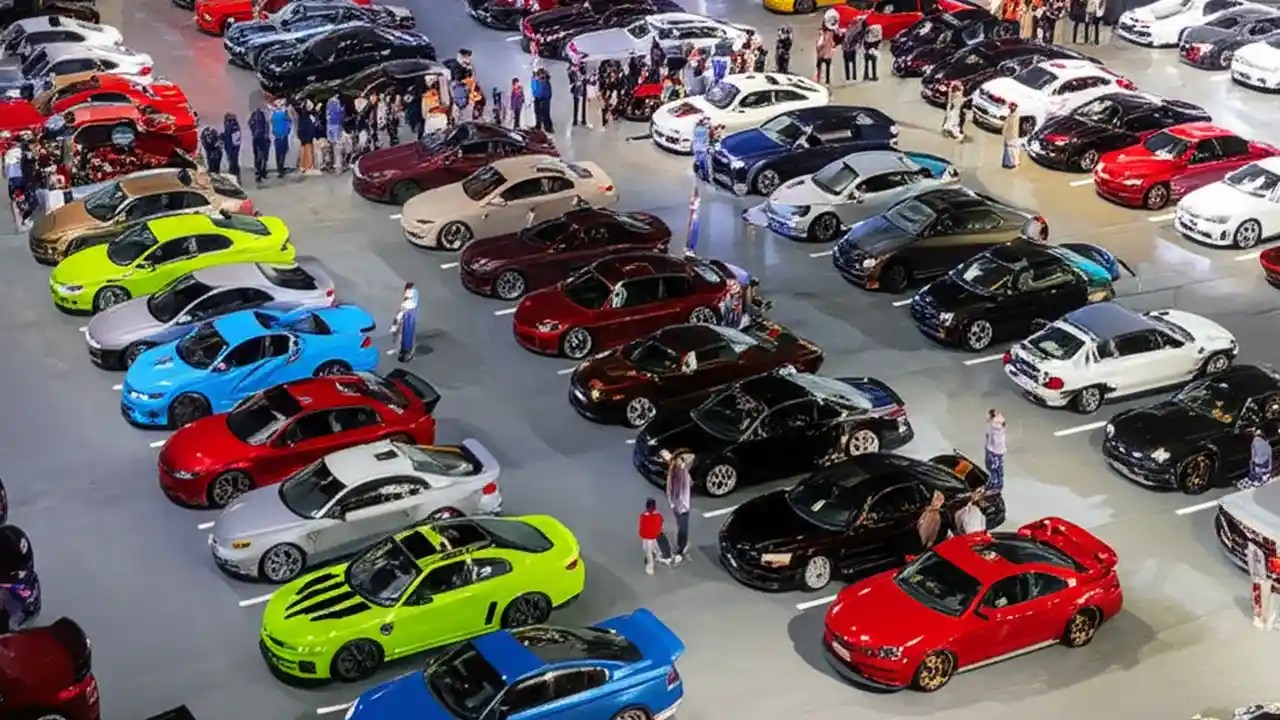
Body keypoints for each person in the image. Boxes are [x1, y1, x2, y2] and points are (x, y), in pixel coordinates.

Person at [663, 450, 693, 563]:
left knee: (682, 527)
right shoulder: (678, 471)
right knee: (682, 527)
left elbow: (677, 491)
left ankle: (681, 548)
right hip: (680, 506)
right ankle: (681, 548)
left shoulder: (677, 471)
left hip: (679, 507)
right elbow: (677, 491)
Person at [389, 282, 420, 362]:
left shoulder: (408, 299)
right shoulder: (414, 294)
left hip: (407, 312)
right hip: (410, 311)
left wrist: (394, 326)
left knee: (405, 333)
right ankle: (406, 350)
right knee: (408, 332)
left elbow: (401, 312)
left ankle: (405, 351)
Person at [638, 498, 665, 575]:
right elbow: (661, 523)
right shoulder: (658, 515)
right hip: (653, 535)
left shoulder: (644, 516)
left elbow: (642, 526)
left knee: (648, 550)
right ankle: (658, 554)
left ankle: (650, 566)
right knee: (652, 546)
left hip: (647, 536)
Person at [985, 409, 1006, 496]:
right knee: (996, 468)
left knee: (994, 468)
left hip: (994, 450)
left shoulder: (995, 425)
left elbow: (992, 438)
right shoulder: (997, 424)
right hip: (996, 450)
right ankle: (996, 484)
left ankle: (995, 486)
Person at [269, 100, 292, 178]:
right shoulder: (283, 114)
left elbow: (272, 122)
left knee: (278, 153)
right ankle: (281, 169)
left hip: (277, 136)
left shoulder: (274, 115)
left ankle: (279, 168)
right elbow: (290, 120)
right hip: (283, 135)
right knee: (282, 152)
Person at [248, 104, 269, 182]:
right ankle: (261, 173)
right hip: (261, 139)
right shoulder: (262, 115)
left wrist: (253, 132)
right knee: (262, 156)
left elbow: (250, 123)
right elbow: (266, 126)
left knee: (258, 156)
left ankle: (259, 173)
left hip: (256, 139)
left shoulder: (254, 115)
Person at [296, 100, 316, 174]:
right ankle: (309, 166)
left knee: (303, 150)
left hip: (302, 134)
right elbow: (312, 126)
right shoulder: (310, 116)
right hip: (308, 135)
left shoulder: (301, 114)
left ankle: (302, 166)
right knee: (308, 150)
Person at [325, 95, 344, 172]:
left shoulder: (328, 103)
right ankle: (338, 167)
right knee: (337, 146)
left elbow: (327, 115)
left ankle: (330, 164)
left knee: (330, 145)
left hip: (329, 125)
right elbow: (341, 115)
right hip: (336, 125)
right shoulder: (338, 103)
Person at [815, 19, 837, 84]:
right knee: (827, 69)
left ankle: (818, 80)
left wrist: (818, 46)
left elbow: (820, 45)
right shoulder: (832, 33)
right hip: (828, 55)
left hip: (821, 54)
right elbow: (833, 44)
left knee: (819, 67)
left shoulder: (823, 34)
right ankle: (827, 81)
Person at [222, 112, 241, 179]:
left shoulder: (232, 126)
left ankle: (235, 178)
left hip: (232, 149)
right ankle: (236, 177)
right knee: (233, 163)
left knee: (233, 164)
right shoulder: (233, 125)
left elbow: (234, 139)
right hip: (232, 148)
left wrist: (230, 150)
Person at [568, 61, 588, 127]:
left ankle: (583, 120)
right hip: (576, 91)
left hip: (582, 89)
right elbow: (571, 82)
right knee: (576, 105)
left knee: (582, 105)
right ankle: (575, 120)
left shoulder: (581, 70)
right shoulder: (571, 73)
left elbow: (585, 77)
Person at [1002, 103, 1022, 168]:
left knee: (1011, 150)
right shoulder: (1011, 114)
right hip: (1008, 135)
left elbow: (1013, 127)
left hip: (1012, 136)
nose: (1010, 107)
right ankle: (1007, 163)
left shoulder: (1015, 115)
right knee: (1008, 150)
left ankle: (1012, 163)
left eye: (1012, 106)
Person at [691, 117, 711, 182]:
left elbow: (694, 139)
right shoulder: (705, 131)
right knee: (704, 164)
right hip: (702, 149)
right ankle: (705, 177)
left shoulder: (695, 129)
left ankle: (698, 171)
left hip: (696, 148)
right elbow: (706, 141)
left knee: (698, 161)